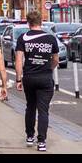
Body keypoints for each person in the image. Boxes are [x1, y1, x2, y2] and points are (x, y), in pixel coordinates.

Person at [14, 11, 59, 151]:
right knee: (43, 110)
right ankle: (41, 142)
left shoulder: (23, 38)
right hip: (45, 78)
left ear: (28, 23)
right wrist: (48, 69)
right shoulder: (51, 39)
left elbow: (19, 60)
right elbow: (56, 59)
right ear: (41, 22)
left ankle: (29, 137)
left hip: (29, 77)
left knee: (30, 106)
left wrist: (18, 79)